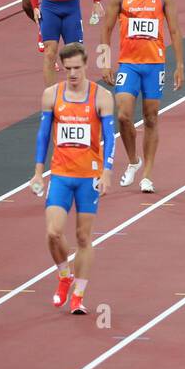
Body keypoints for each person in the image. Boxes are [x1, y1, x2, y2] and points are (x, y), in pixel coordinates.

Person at [29, 42, 115, 316]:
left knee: (82, 236)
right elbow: (43, 135)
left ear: (86, 65)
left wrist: (107, 171)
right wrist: (38, 172)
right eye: (68, 70)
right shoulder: (51, 96)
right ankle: (64, 274)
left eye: (77, 68)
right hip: (62, 174)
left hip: (88, 175)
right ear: (62, 68)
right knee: (53, 232)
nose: (73, 74)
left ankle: (78, 294)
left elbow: (110, 138)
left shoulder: (101, 97)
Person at [99, 0, 185, 193]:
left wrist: (179, 64)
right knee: (124, 115)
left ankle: (147, 174)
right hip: (129, 63)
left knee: (150, 118)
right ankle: (133, 161)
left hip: (154, 65)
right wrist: (105, 62)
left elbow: (175, 31)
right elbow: (106, 28)